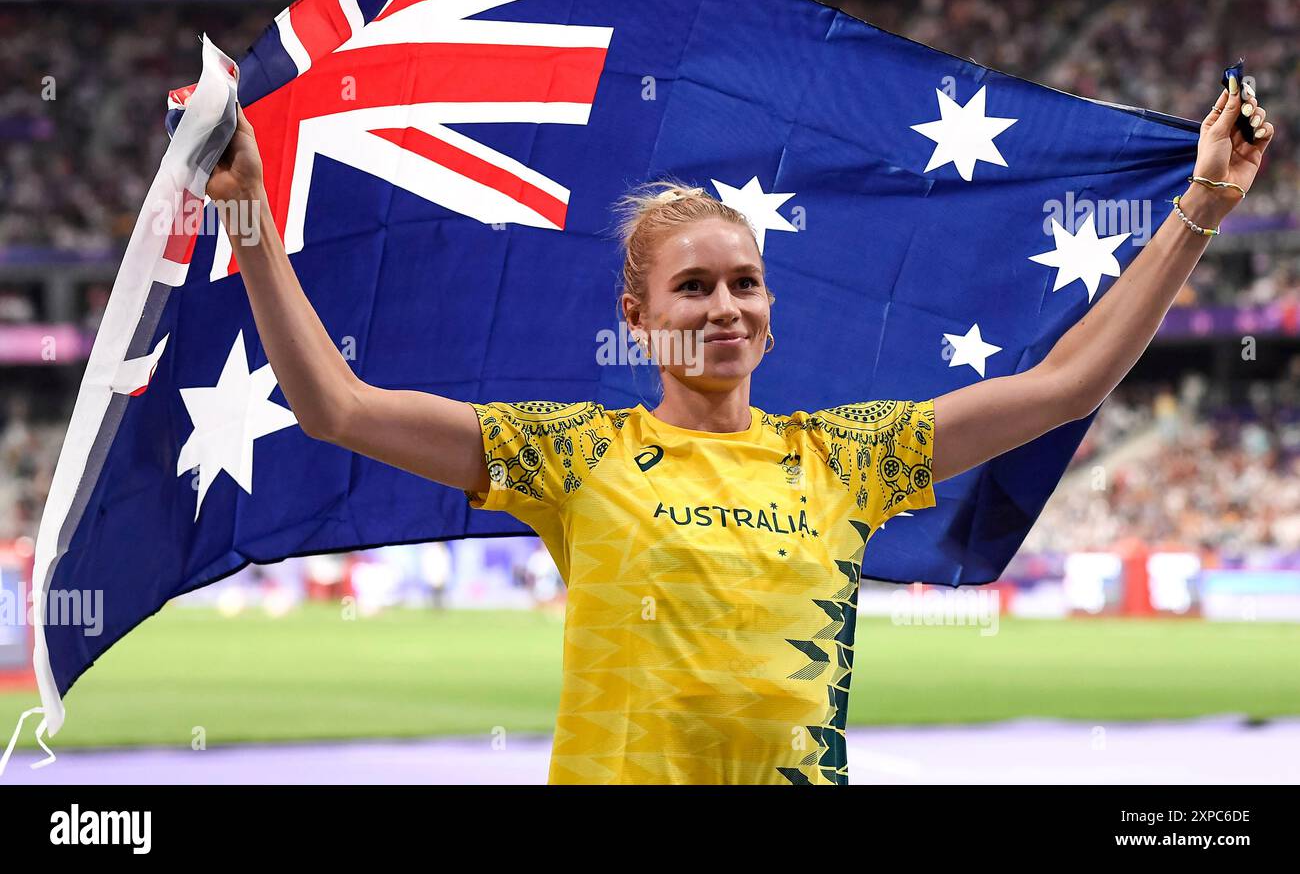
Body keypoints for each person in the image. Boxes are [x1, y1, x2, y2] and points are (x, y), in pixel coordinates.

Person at [205, 78, 1275, 784]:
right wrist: (248, 212)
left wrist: (1201, 208)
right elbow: (334, 405)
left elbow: (1062, 381)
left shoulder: (846, 454)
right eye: (693, 286)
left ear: (770, 307)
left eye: (746, 283)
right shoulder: (571, 452)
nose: (723, 306)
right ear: (636, 314)